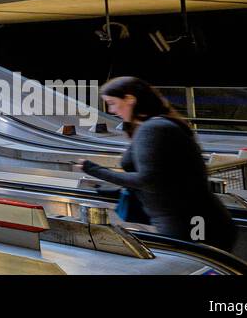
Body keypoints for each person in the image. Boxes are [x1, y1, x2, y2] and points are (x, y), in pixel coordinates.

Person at [78, 76, 236, 251]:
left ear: (130, 99)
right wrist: (112, 190)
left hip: (193, 223)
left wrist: (94, 169)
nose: (111, 110)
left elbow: (149, 180)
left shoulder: (153, 129)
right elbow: (167, 177)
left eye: (112, 103)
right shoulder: (153, 126)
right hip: (190, 220)